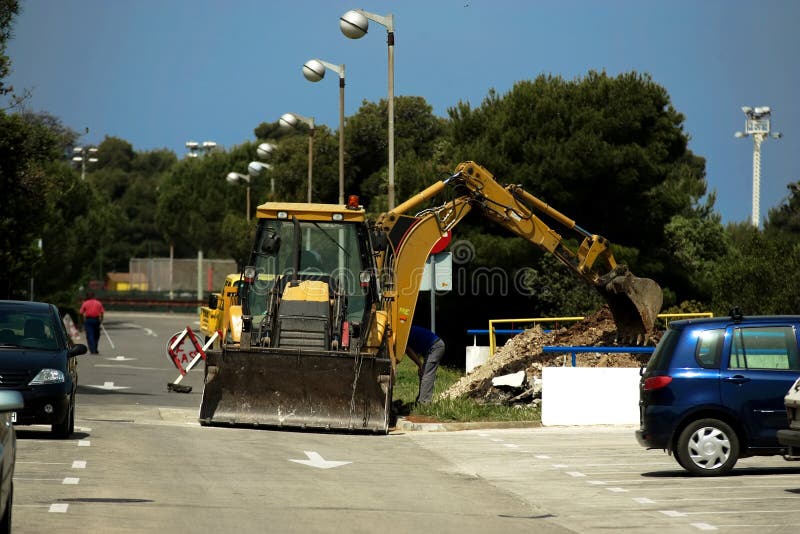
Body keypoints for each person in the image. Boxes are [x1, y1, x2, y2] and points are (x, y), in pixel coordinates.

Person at [405, 325, 446, 404]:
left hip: (436, 346)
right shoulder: (405, 330)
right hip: (433, 346)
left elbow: (409, 351)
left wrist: (420, 365)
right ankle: (421, 398)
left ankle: (424, 402)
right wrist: (420, 365)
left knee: (427, 374)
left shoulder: (404, 334)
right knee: (423, 373)